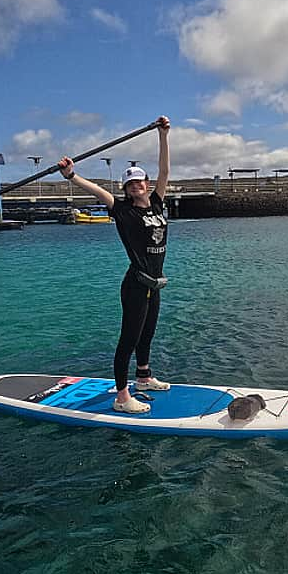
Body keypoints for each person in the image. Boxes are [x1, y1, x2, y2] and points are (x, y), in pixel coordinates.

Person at [57, 116, 172, 413]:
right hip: (136, 284)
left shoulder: (158, 201)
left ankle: (144, 377)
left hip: (155, 284)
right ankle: (122, 397)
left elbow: (165, 169)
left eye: (140, 181)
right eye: (130, 183)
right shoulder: (122, 211)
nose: (136, 185)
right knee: (129, 339)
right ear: (126, 188)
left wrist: (163, 134)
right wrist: (71, 175)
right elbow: (96, 190)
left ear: (146, 184)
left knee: (148, 333)